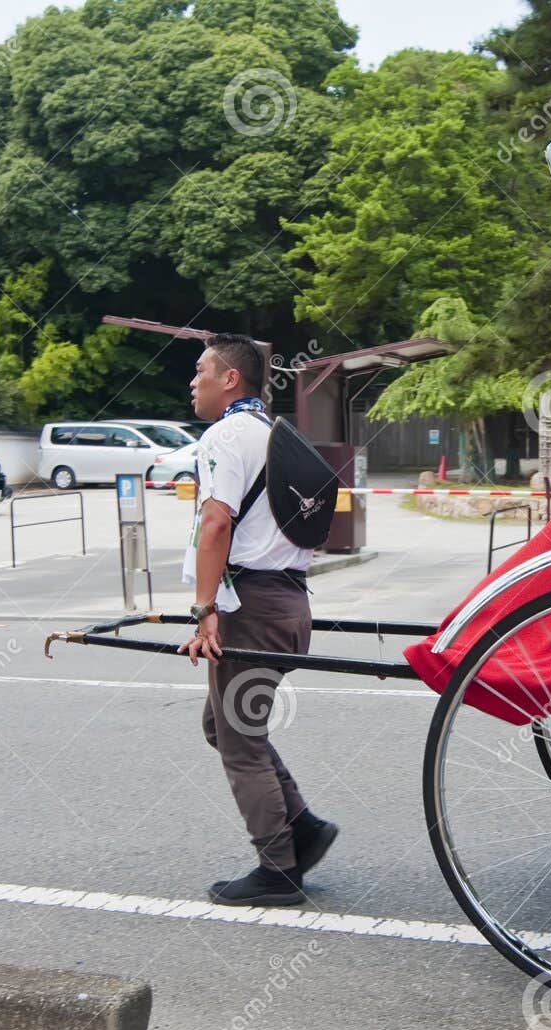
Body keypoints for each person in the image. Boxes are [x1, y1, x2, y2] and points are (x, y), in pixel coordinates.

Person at [178, 333, 338, 907]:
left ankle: (278, 869)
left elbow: (216, 523)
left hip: (251, 606)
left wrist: (205, 613)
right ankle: (303, 828)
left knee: (240, 741)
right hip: (289, 603)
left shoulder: (224, 436)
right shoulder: (276, 434)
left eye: (201, 370)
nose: (192, 380)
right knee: (222, 726)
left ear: (230, 379)